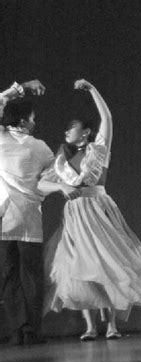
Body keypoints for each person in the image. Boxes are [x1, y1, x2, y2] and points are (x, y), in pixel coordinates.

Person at [41, 79, 141, 341]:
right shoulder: (61, 160)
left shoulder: (98, 150)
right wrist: (60, 187)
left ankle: (113, 326)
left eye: (71, 129)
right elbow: (41, 182)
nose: (66, 133)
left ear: (85, 132)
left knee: (105, 263)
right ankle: (90, 326)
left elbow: (107, 117)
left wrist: (93, 89)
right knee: (80, 268)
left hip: (97, 210)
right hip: (75, 215)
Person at [0, 80, 77, 345]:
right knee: (31, 277)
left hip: (4, 220)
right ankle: (31, 329)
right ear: (22, 121)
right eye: (32, 118)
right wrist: (60, 186)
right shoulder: (41, 147)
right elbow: (47, 181)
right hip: (29, 219)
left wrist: (19, 88)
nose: (35, 122)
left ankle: (15, 330)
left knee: (9, 276)